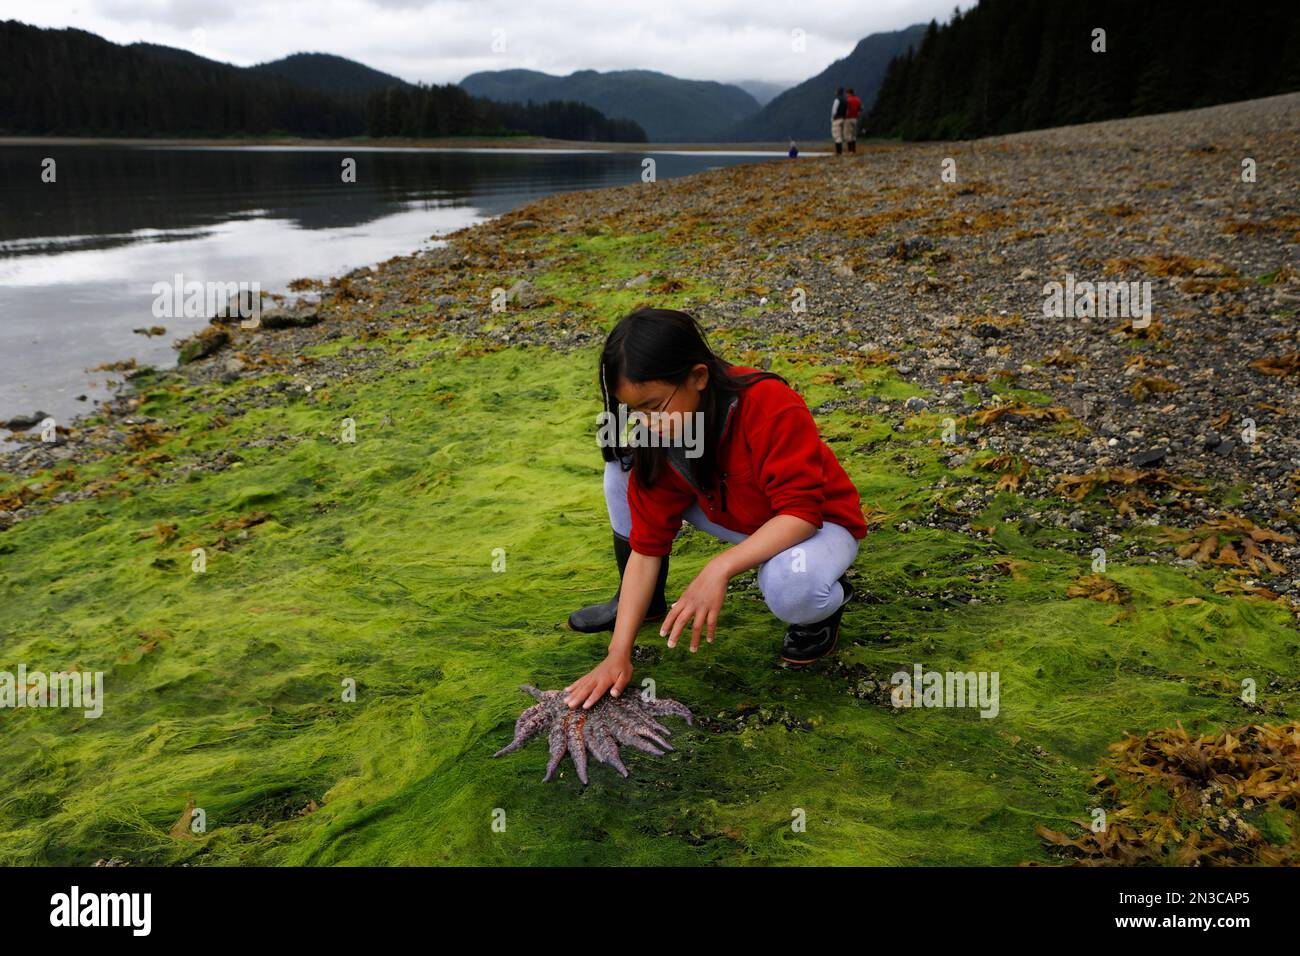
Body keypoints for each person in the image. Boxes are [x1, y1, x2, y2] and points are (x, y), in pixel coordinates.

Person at [563, 307, 870, 710]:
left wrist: (719, 567)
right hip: (737, 515)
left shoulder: (768, 403)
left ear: (698, 377)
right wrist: (618, 654)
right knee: (622, 470)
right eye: (634, 411)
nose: (646, 422)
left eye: (654, 406)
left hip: (816, 523)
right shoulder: (664, 431)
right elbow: (648, 546)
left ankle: (826, 606)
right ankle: (641, 603)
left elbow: (802, 512)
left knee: (791, 586)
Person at [844, 87, 862, 153]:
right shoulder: (858, 100)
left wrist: (845, 117)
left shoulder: (848, 100)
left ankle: (850, 150)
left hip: (848, 119)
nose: (846, 95)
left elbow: (846, 110)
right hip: (855, 119)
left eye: (846, 93)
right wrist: (857, 117)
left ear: (848, 93)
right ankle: (854, 150)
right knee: (854, 135)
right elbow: (860, 110)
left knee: (848, 135)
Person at [831, 86, 846, 154]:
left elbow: (834, 110)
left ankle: (839, 152)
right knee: (841, 135)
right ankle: (840, 151)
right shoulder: (845, 100)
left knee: (837, 135)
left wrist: (833, 117)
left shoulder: (837, 100)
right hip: (843, 118)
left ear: (838, 92)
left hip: (837, 119)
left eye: (836, 91)